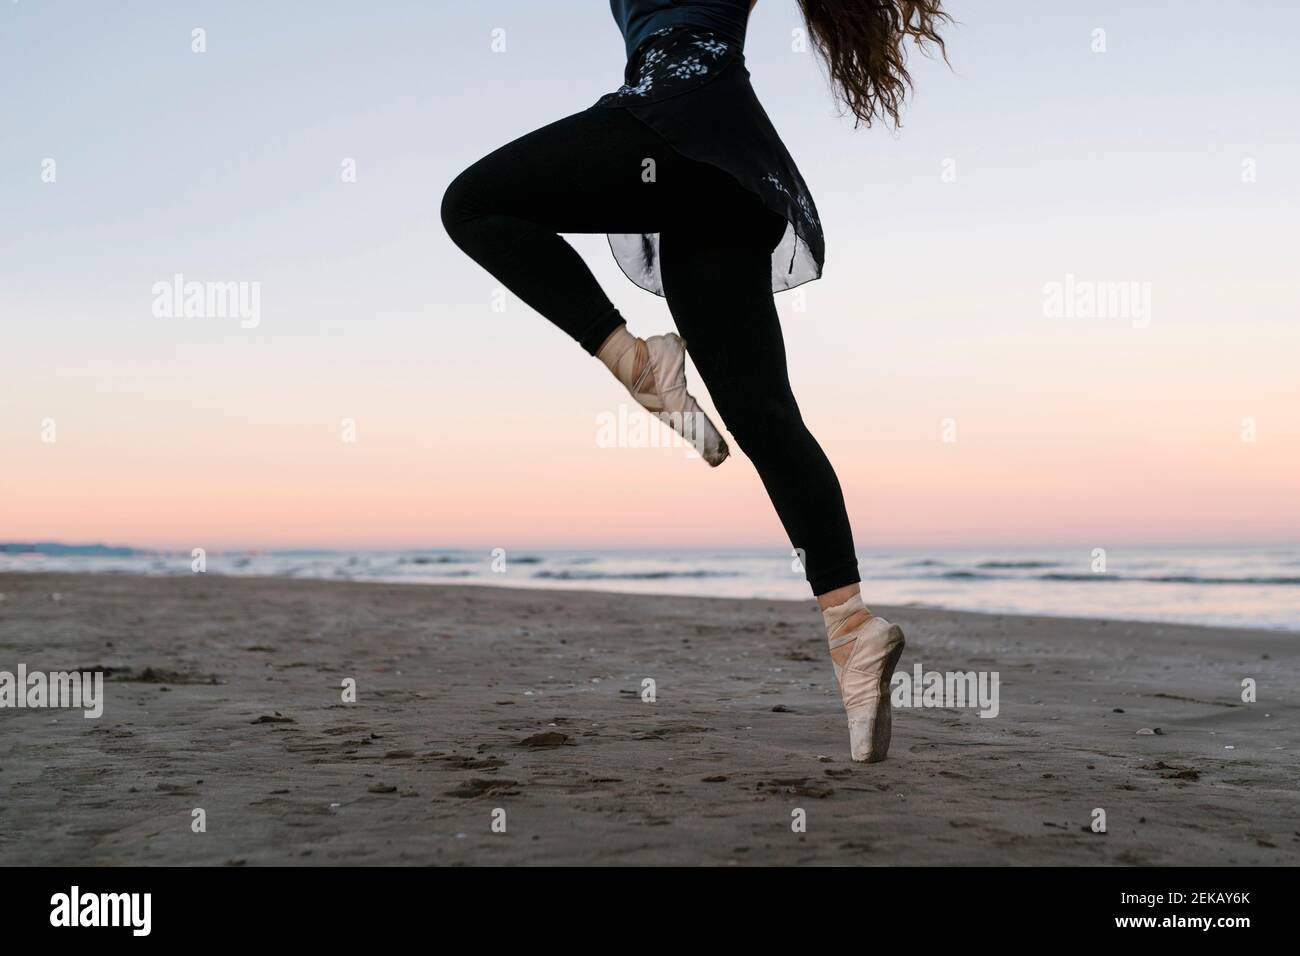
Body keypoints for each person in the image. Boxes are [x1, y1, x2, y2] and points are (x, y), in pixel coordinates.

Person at [441, 0, 949, 761]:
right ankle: (852, 630)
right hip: (724, 172)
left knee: (473, 203)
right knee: (764, 416)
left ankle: (637, 362)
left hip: (673, 123)